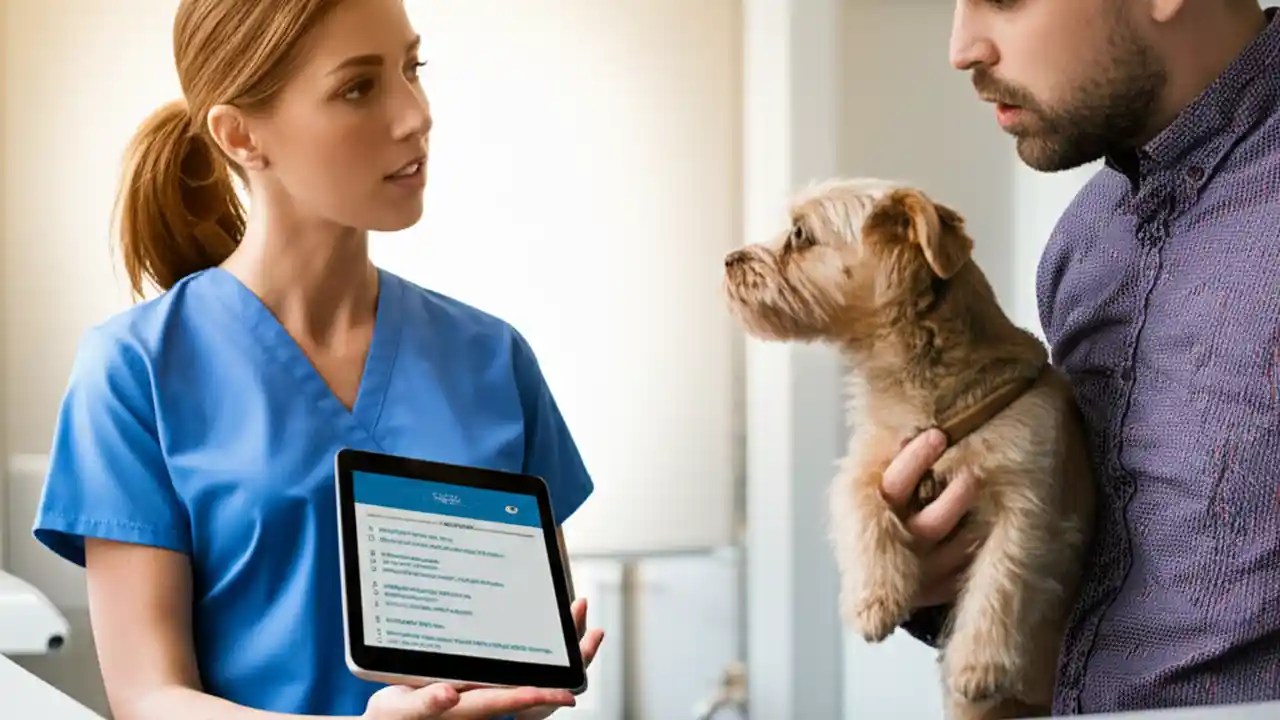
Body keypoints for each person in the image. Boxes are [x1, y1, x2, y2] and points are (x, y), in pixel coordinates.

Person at [29, 0, 604, 718]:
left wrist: (518, 696)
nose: (415, 114)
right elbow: (149, 697)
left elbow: (524, 672)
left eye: (411, 69)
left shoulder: (492, 357)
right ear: (240, 134)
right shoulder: (135, 369)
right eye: (358, 88)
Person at [883, 0, 1280, 715]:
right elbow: (1101, 584)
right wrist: (947, 579)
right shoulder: (1084, 244)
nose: (962, 47)